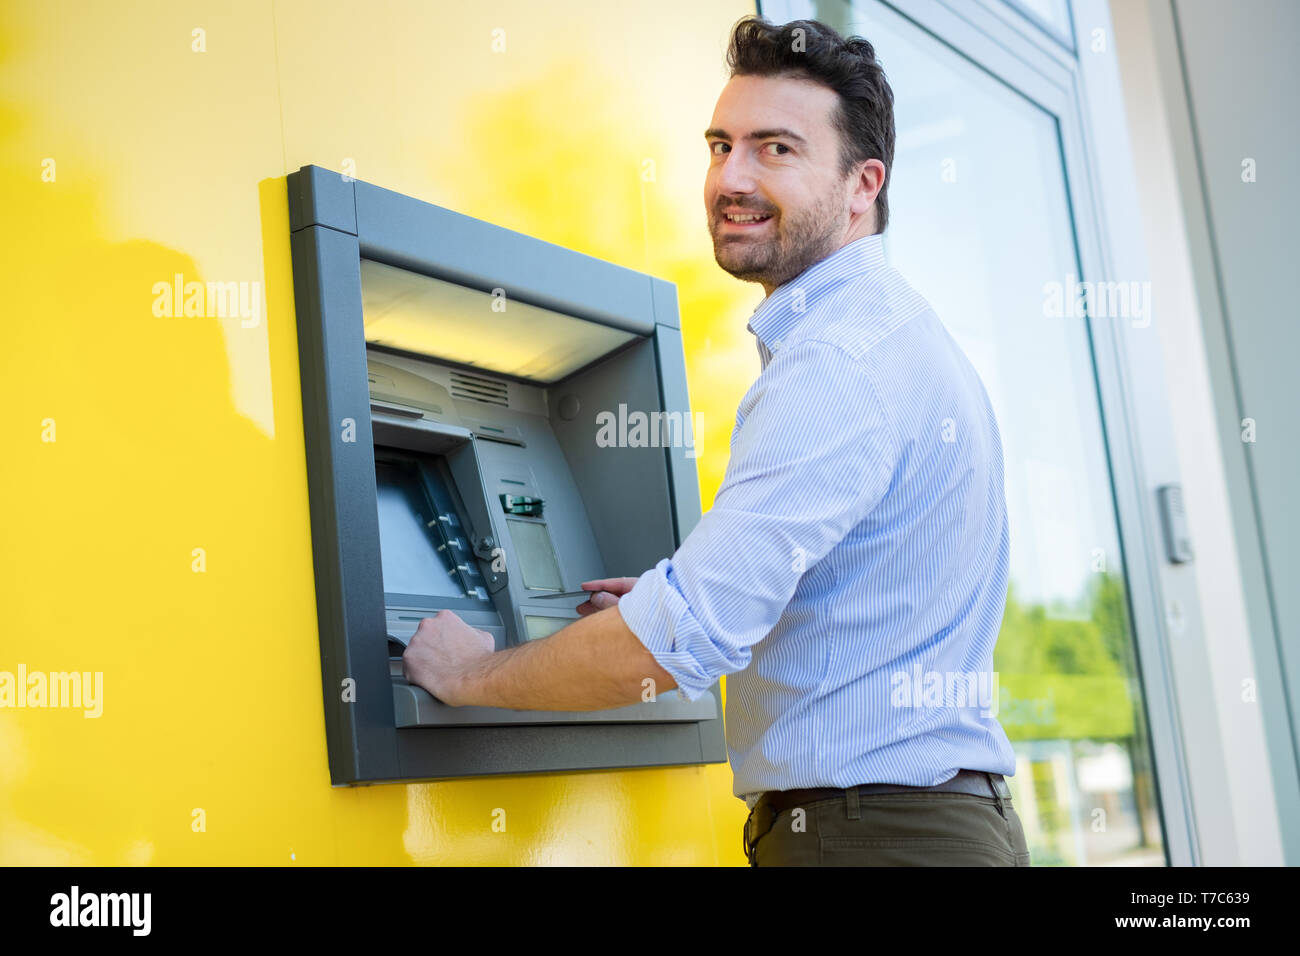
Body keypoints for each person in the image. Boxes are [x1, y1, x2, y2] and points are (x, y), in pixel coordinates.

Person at [401, 14, 1031, 866]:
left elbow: (685, 638)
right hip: (922, 826)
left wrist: (472, 670)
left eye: (775, 149)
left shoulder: (835, 361)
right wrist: (670, 598)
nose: (730, 176)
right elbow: (830, 604)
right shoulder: (890, 337)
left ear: (862, 185)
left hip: (877, 838)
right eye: (719, 144)